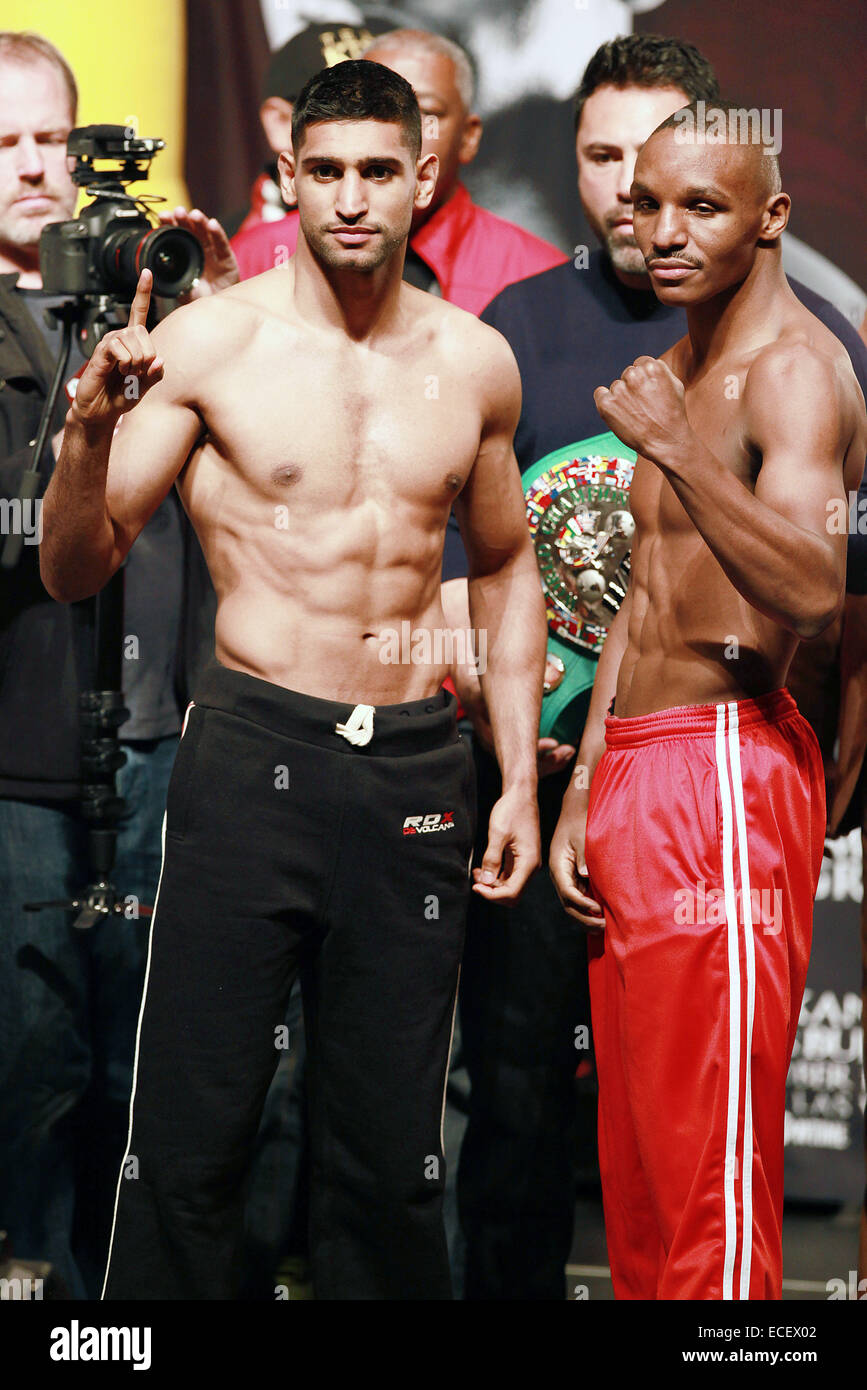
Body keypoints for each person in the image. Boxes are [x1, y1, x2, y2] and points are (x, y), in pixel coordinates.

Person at [40, 59, 547, 1301]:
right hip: (255, 756)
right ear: (289, 177)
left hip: (419, 768)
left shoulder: (476, 362)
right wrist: (89, 431)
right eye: (326, 172)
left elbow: (508, 565)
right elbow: (73, 565)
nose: (353, 199)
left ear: (425, 176)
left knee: (388, 1156)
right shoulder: (211, 343)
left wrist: (521, 778)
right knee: (194, 1133)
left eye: (379, 170)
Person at [450, 32, 867, 1300]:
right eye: (645, 203)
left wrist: (684, 453)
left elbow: (813, 587)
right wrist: (584, 791)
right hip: (632, 770)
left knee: (707, 1171)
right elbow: (639, 593)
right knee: (631, 1166)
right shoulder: (683, 362)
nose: (663, 228)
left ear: (772, 215)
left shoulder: (797, 374)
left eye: (700, 206)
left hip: (729, 777)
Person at [0, 29, 234, 1299]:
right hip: (20, 750)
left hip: (165, 735)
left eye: (55, 138)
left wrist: (221, 297)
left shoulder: (178, 305)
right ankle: (32, 1287)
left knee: (143, 1056)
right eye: (8, 144)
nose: (38, 169)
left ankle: (126, 1311)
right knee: (29, 1055)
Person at [231, 28, 567, 313]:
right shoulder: (254, 256)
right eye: (377, 106)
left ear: (469, 136)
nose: (403, 130)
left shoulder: (539, 277)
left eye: (426, 112)